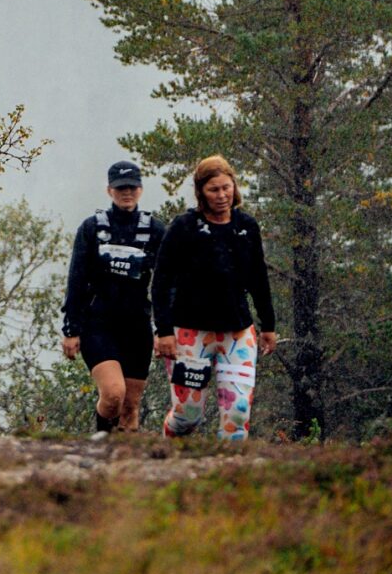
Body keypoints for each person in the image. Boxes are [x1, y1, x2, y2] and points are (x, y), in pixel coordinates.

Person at [150, 155, 277, 440]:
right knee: (188, 414)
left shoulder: (247, 226)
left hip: (237, 332)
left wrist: (268, 325)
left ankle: (227, 478)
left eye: (226, 188)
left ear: (234, 187)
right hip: (190, 333)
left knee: (238, 413)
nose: (222, 196)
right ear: (201, 193)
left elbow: (259, 278)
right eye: (213, 190)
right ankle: (168, 452)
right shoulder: (184, 226)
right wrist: (164, 331)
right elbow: (161, 281)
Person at [60, 159, 164, 433]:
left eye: (131, 187)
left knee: (130, 405)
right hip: (98, 324)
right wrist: (71, 328)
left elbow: (167, 283)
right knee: (113, 395)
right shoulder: (91, 228)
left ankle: (124, 466)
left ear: (140, 189)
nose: (126, 193)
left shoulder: (155, 230)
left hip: (137, 326)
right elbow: (76, 278)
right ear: (110, 191)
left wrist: (165, 330)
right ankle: (101, 442)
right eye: (120, 188)